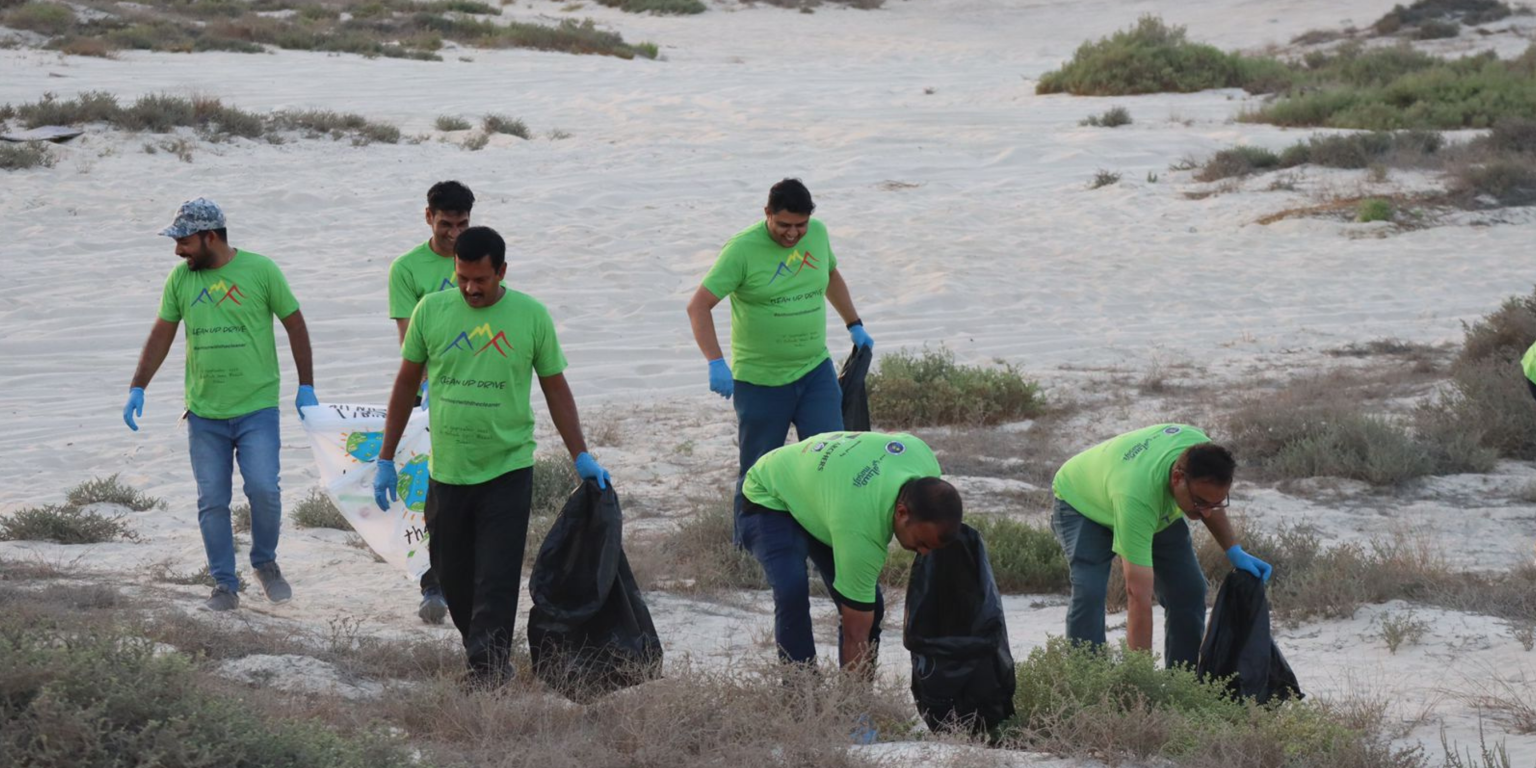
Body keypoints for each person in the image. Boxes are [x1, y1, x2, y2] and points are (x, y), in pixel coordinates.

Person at [372, 226, 611, 688]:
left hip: (508, 468)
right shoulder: (430, 311)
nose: (471, 289)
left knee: (496, 578)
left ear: (502, 271)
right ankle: (482, 651)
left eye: (481, 279)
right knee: (453, 576)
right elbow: (405, 383)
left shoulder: (530, 316)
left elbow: (555, 388)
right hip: (448, 472)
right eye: (462, 278)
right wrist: (385, 456)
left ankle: (488, 669)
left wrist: (581, 454)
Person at [122, 198, 318, 612]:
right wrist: (138, 385)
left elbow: (294, 323)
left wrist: (306, 385)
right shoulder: (180, 280)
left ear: (210, 236)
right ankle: (224, 585)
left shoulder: (261, 270)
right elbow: (162, 333)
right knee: (212, 500)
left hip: (257, 407)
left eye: (184, 241)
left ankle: (265, 562)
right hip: (204, 412)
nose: (178, 250)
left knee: (264, 490)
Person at [686, 178, 875, 546]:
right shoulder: (741, 250)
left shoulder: (817, 235)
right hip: (760, 381)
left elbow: (831, 276)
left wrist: (854, 324)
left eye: (800, 225)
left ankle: (825, 542)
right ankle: (746, 549)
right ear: (767, 214)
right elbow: (698, 306)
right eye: (784, 225)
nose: (793, 234)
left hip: (814, 371)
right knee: (759, 470)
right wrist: (715, 361)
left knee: (830, 459)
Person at [1050, 424, 1272, 669]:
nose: (1207, 511)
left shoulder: (1201, 452)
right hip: (1082, 503)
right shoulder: (1137, 498)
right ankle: (1087, 679)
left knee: (1189, 590)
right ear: (1177, 478)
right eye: (1200, 502)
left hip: (1141, 498)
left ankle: (1182, 679)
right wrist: (1141, 681)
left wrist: (1233, 550)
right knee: (1090, 591)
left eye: (1217, 503)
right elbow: (1138, 596)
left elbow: (1208, 502)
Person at [740, 430, 962, 673]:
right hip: (769, 493)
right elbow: (855, 634)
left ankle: (855, 700)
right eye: (922, 543)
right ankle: (803, 695)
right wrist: (851, 709)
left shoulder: (923, 460)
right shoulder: (861, 530)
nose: (924, 552)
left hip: (827, 496)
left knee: (871, 607)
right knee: (792, 589)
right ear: (901, 513)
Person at [386, 180, 474, 624]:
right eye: (446, 225)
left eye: (462, 224)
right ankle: (433, 584)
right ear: (428, 218)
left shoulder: (483, 255)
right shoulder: (407, 269)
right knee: (433, 491)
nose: (455, 234)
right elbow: (410, 345)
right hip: (431, 396)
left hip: (479, 393)